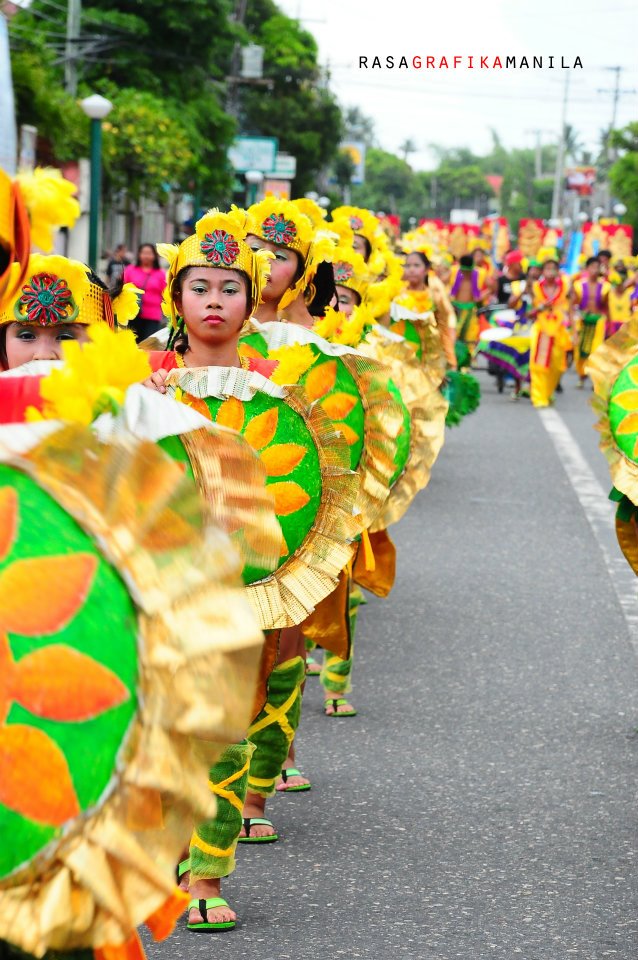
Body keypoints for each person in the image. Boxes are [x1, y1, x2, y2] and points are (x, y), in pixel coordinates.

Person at [527, 258, 571, 407]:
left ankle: (548, 393)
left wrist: (574, 330)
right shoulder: (534, 288)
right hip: (542, 331)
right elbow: (528, 312)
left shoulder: (565, 287)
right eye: (547, 268)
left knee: (557, 366)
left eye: (553, 268)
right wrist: (540, 308)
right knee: (539, 364)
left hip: (559, 331)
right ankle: (539, 397)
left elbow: (570, 307)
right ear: (542, 271)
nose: (550, 272)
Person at [570, 256, 609, 388]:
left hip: (598, 322)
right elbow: (573, 305)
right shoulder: (579, 285)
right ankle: (581, 376)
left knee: (597, 352)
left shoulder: (606, 286)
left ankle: (595, 379)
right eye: (592, 267)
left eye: (597, 267)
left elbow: (607, 307)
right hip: (583, 321)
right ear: (587, 268)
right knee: (580, 352)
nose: (595, 270)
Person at [123, 242, 167, 342]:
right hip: (133, 314)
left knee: (148, 345)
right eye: (143, 253)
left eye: (149, 253)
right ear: (139, 254)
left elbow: (165, 294)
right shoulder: (130, 270)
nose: (146, 256)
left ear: (154, 256)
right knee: (133, 344)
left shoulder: (160, 274)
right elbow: (123, 289)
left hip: (152, 314)